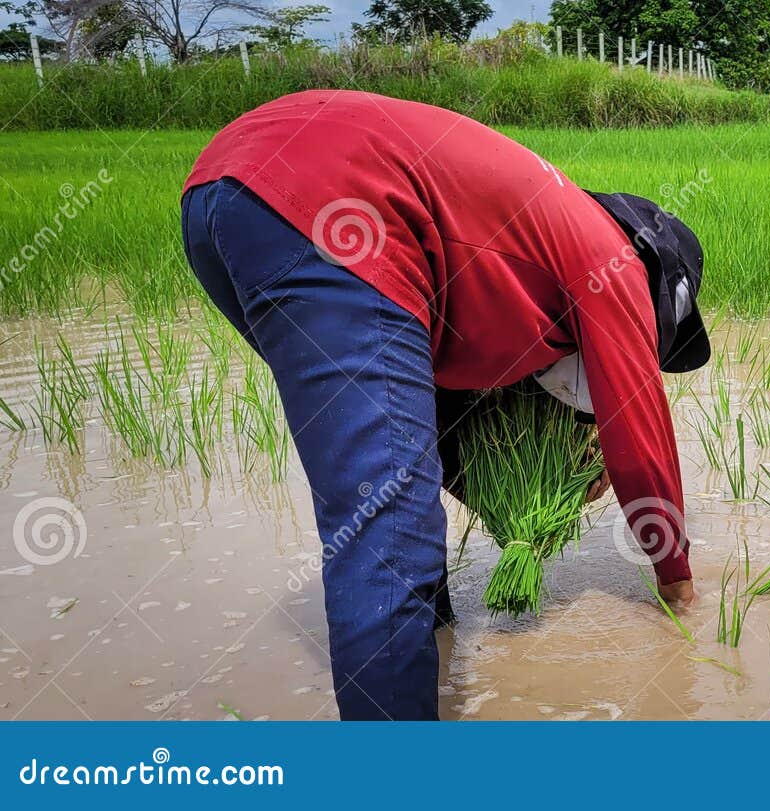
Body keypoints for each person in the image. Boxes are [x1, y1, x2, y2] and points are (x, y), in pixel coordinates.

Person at [180, 90, 707, 721]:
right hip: (335, 198)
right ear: (660, 288)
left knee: (395, 489)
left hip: (219, 195)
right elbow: (640, 434)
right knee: (393, 529)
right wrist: (677, 582)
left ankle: (432, 640)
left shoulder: (524, 242)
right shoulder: (617, 263)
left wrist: (517, 508)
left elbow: (429, 432)